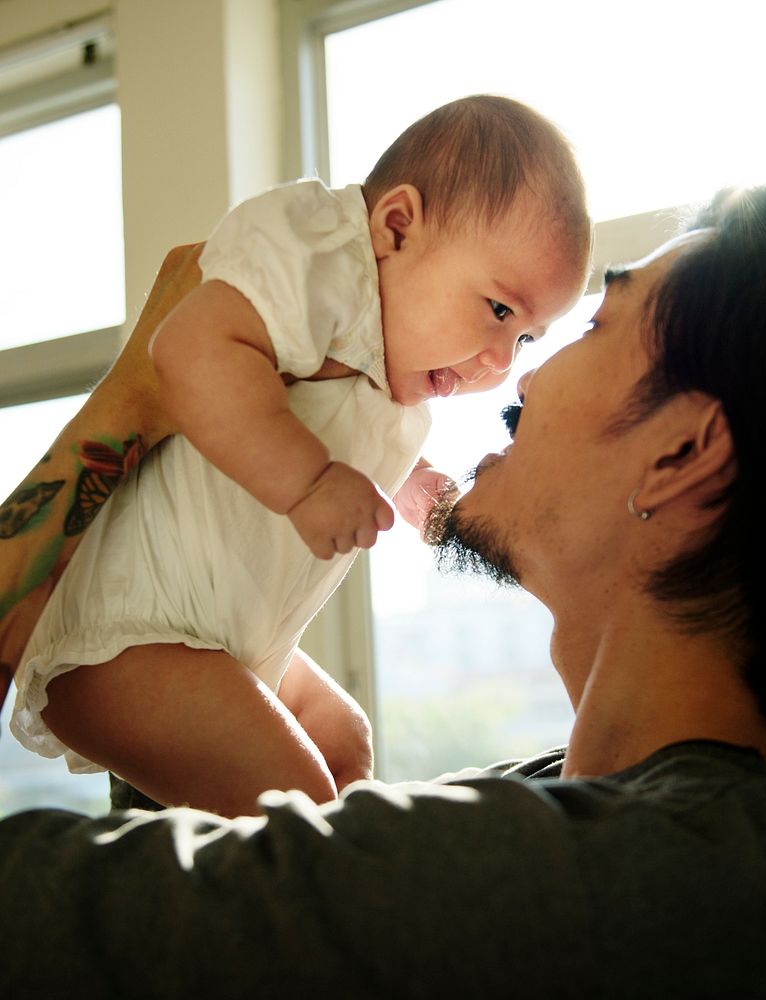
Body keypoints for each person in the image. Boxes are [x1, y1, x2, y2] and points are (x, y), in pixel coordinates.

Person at [1, 178, 766, 998]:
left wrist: (135, 394)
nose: (520, 377)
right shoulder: (646, 844)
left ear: (682, 454)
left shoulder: (599, 893)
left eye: (596, 325)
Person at [4, 95, 591, 817]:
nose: (500, 361)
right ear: (395, 227)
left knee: (344, 744)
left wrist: (409, 485)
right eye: (499, 310)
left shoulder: (391, 374)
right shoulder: (319, 252)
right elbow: (188, 348)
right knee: (297, 798)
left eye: (525, 338)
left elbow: (335, 430)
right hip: (130, 633)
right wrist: (310, 484)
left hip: (229, 642)